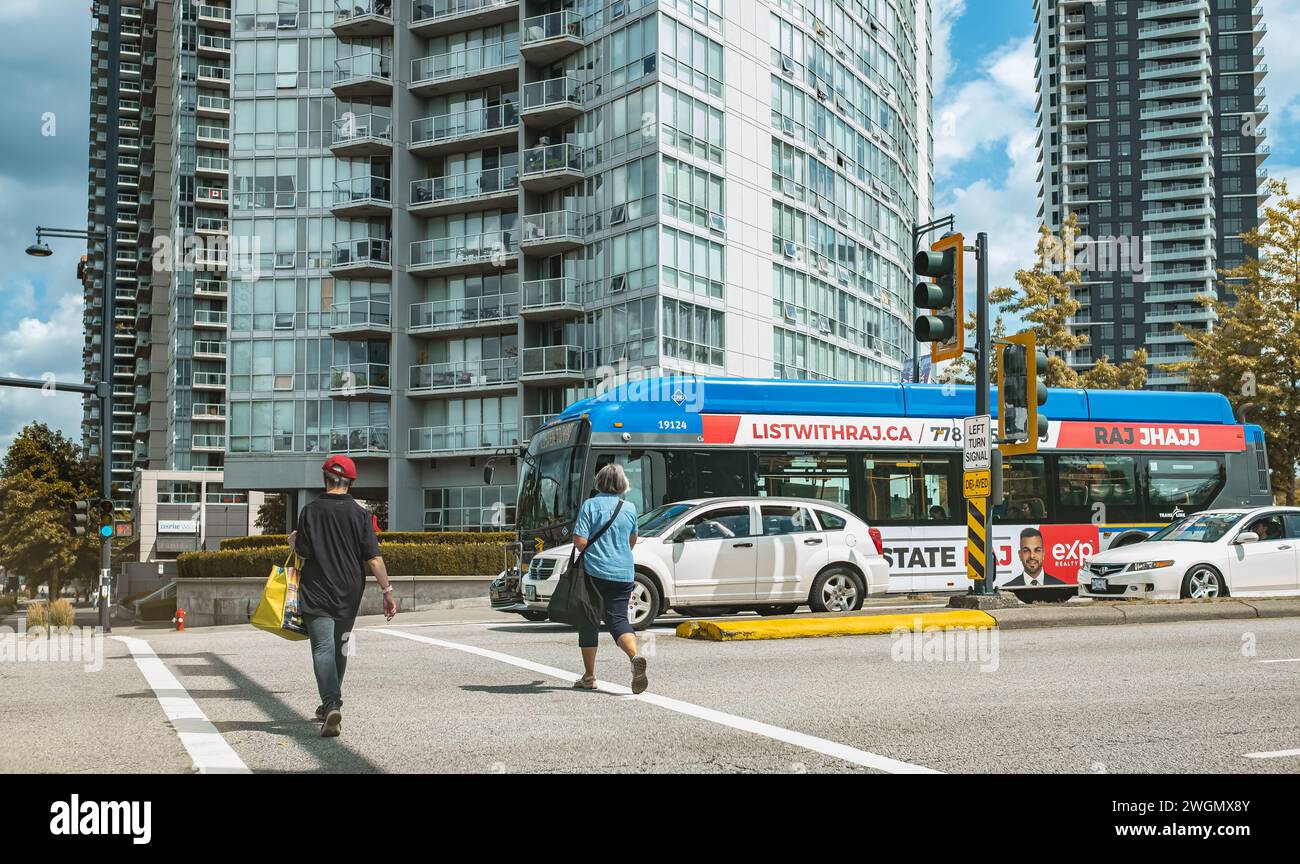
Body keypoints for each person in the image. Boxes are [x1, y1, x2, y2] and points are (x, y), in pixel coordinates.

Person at [288, 455, 396, 738]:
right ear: (351, 483)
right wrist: (387, 592)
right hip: (349, 592)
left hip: (317, 590)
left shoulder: (310, 511)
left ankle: (332, 703)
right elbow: (374, 559)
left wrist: (292, 541)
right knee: (341, 646)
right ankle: (329, 705)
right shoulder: (361, 515)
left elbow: (303, 552)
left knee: (322, 648)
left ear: (325, 479)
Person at [571, 463, 647, 694]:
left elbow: (579, 541)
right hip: (623, 572)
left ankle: (590, 676)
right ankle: (635, 657)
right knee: (618, 620)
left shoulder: (591, 506)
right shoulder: (630, 507)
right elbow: (632, 540)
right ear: (623, 484)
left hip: (594, 573)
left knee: (588, 620)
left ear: (599, 482)